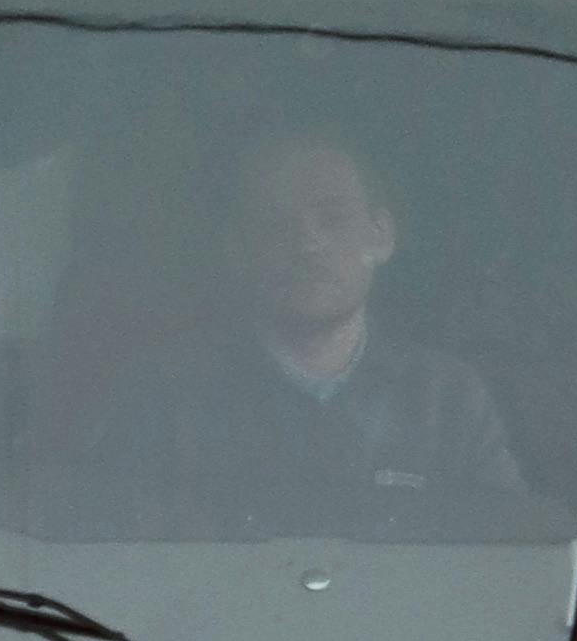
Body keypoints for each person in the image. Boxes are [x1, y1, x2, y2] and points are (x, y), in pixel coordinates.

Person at [86, 119, 526, 540]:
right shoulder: (163, 394)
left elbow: (507, 562)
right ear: (237, 250)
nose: (307, 242)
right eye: (275, 223)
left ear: (381, 236)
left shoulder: (448, 398)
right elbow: (112, 568)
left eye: (331, 219)